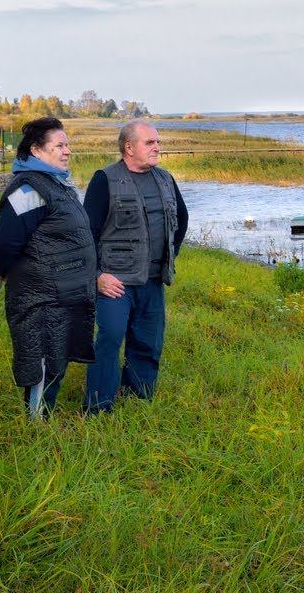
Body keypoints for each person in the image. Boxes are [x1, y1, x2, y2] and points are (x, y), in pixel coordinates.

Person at [0, 117, 96, 419]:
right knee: (43, 359)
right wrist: (2, 267)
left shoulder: (55, 184)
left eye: (68, 145)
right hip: (42, 295)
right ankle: (35, 426)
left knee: (56, 355)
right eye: (59, 146)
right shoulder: (29, 190)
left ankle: (41, 418)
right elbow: (7, 241)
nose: (67, 151)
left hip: (62, 293)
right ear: (37, 151)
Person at [83, 120, 188, 414]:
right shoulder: (105, 179)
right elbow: (86, 233)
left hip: (153, 280)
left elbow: (182, 219)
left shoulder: (165, 179)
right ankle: (98, 407)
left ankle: (138, 400)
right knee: (110, 338)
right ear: (129, 147)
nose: (158, 147)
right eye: (150, 143)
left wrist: (169, 256)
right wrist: (96, 276)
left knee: (148, 341)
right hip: (116, 282)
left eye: (158, 142)